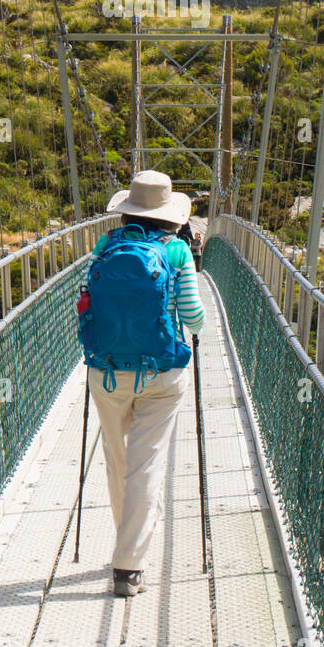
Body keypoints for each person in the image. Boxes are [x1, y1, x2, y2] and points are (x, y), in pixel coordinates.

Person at [78, 169, 204, 597]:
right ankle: (128, 565)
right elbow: (195, 318)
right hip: (162, 373)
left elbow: (87, 300)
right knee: (146, 462)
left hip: (106, 369)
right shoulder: (178, 252)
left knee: (117, 458)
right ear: (172, 215)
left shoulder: (106, 245)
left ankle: (125, 537)